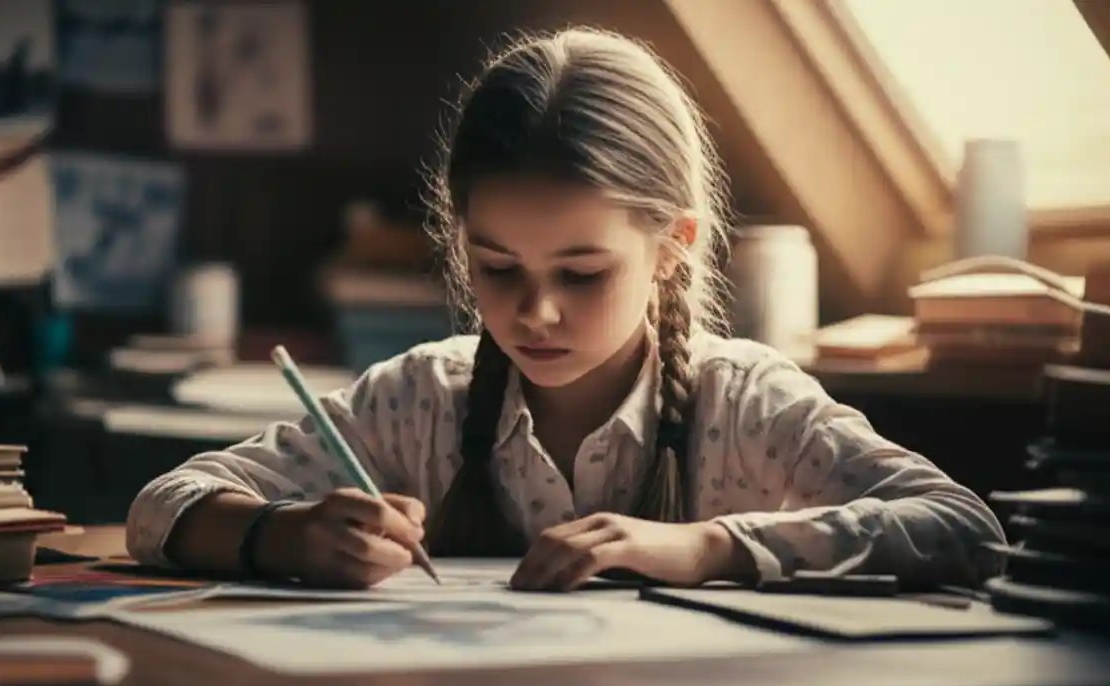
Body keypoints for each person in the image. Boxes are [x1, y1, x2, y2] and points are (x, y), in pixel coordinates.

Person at [126, 28, 1004, 592]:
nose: (534, 311)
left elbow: (965, 527)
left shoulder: (746, 406)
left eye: (582, 274)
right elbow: (164, 505)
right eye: (496, 267)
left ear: (675, 246)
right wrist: (279, 536)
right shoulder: (417, 399)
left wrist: (707, 548)